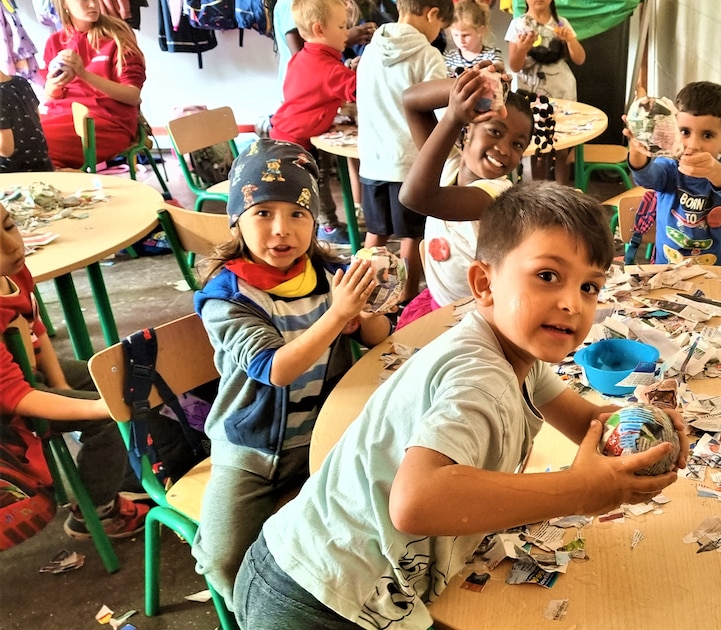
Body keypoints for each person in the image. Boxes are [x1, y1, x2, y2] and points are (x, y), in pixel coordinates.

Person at [232, 181, 684, 628]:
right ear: (484, 283)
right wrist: (580, 490)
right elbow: (416, 501)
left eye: (590, 286)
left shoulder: (516, 351)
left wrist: (643, 429)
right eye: (548, 276)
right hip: (314, 600)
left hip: (342, 585)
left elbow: (587, 423)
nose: (571, 303)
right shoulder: (479, 376)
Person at [190, 139, 391, 601]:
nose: (282, 230)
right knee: (223, 559)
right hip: (252, 449)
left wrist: (371, 306)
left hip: (329, 439)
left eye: (298, 214)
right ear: (237, 219)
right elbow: (274, 369)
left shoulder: (327, 274)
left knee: (365, 538)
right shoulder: (227, 296)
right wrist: (337, 315)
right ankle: (254, 611)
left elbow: (377, 338)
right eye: (263, 213)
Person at [0, 203, 202, 540]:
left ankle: (134, 472)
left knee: (116, 378)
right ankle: (96, 510)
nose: (12, 245)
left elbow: (35, 332)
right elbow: (14, 397)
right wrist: (98, 407)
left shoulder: (14, 272)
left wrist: (62, 383)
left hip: (27, 375)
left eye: (8, 226)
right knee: (109, 419)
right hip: (11, 408)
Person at [395, 65, 533, 327]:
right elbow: (411, 101)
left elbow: (414, 197)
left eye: (517, 144)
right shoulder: (449, 166)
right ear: (468, 130)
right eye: (495, 131)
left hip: (477, 322)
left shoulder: (496, 195)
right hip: (439, 308)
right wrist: (470, 87)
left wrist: (453, 117)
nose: (504, 149)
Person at [356, 0, 452, 307]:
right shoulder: (427, 54)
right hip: (408, 163)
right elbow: (440, 111)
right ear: (432, 14)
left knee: (376, 234)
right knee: (412, 236)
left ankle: (363, 297)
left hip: (372, 160)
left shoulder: (370, 49)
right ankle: (407, 298)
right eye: (440, 27)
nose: (438, 33)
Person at [624, 81, 721, 267]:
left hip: (720, 272)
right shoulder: (669, 164)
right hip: (668, 269)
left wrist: (714, 170)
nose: (693, 144)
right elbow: (647, 177)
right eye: (685, 132)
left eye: (707, 135)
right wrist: (638, 151)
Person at [270, 0, 361, 245]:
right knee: (312, 188)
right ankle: (327, 227)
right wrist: (366, 71)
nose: (347, 33)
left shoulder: (302, 57)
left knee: (311, 187)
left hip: (282, 134)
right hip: (297, 145)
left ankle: (321, 228)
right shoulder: (329, 68)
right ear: (320, 30)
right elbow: (361, 90)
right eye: (342, 27)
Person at [38, 0, 145, 169]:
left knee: (34, 146)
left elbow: (133, 96)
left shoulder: (117, 37)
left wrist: (84, 74)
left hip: (108, 123)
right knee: (17, 139)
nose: (93, 5)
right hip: (60, 117)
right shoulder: (55, 41)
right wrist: (52, 86)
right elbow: (51, 98)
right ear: (64, 4)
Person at [505, 0, 583, 185]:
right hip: (532, 94)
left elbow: (580, 58)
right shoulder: (518, 24)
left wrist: (570, 39)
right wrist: (523, 48)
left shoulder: (561, 22)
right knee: (537, 145)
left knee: (563, 145)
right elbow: (515, 66)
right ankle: (538, 193)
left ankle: (562, 191)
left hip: (562, 90)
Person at [0, 70, 53, 172]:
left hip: (13, 176)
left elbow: (6, 149)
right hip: (43, 167)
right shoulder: (21, 82)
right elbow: (37, 117)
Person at [442, 0, 501, 77]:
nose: (460, 41)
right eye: (456, 35)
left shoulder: (492, 56)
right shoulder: (448, 57)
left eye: (466, 35)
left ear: (481, 31)